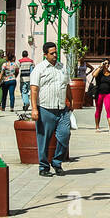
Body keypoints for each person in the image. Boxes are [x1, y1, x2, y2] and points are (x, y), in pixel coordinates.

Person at [29, 41, 71, 177]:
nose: (55, 55)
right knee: (43, 139)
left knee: (65, 135)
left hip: (62, 109)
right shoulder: (39, 69)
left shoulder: (62, 67)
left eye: (56, 53)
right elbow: (34, 89)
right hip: (46, 108)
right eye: (52, 53)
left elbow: (67, 85)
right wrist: (34, 109)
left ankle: (57, 162)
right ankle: (43, 167)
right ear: (45, 54)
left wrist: (71, 100)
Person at [91, 58, 110, 132]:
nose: (106, 65)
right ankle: (97, 127)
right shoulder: (99, 72)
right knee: (98, 110)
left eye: (108, 63)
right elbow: (94, 75)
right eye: (105, 63)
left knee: (109, 110)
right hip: (99, 93)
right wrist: (100, 67)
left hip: (107, 94)